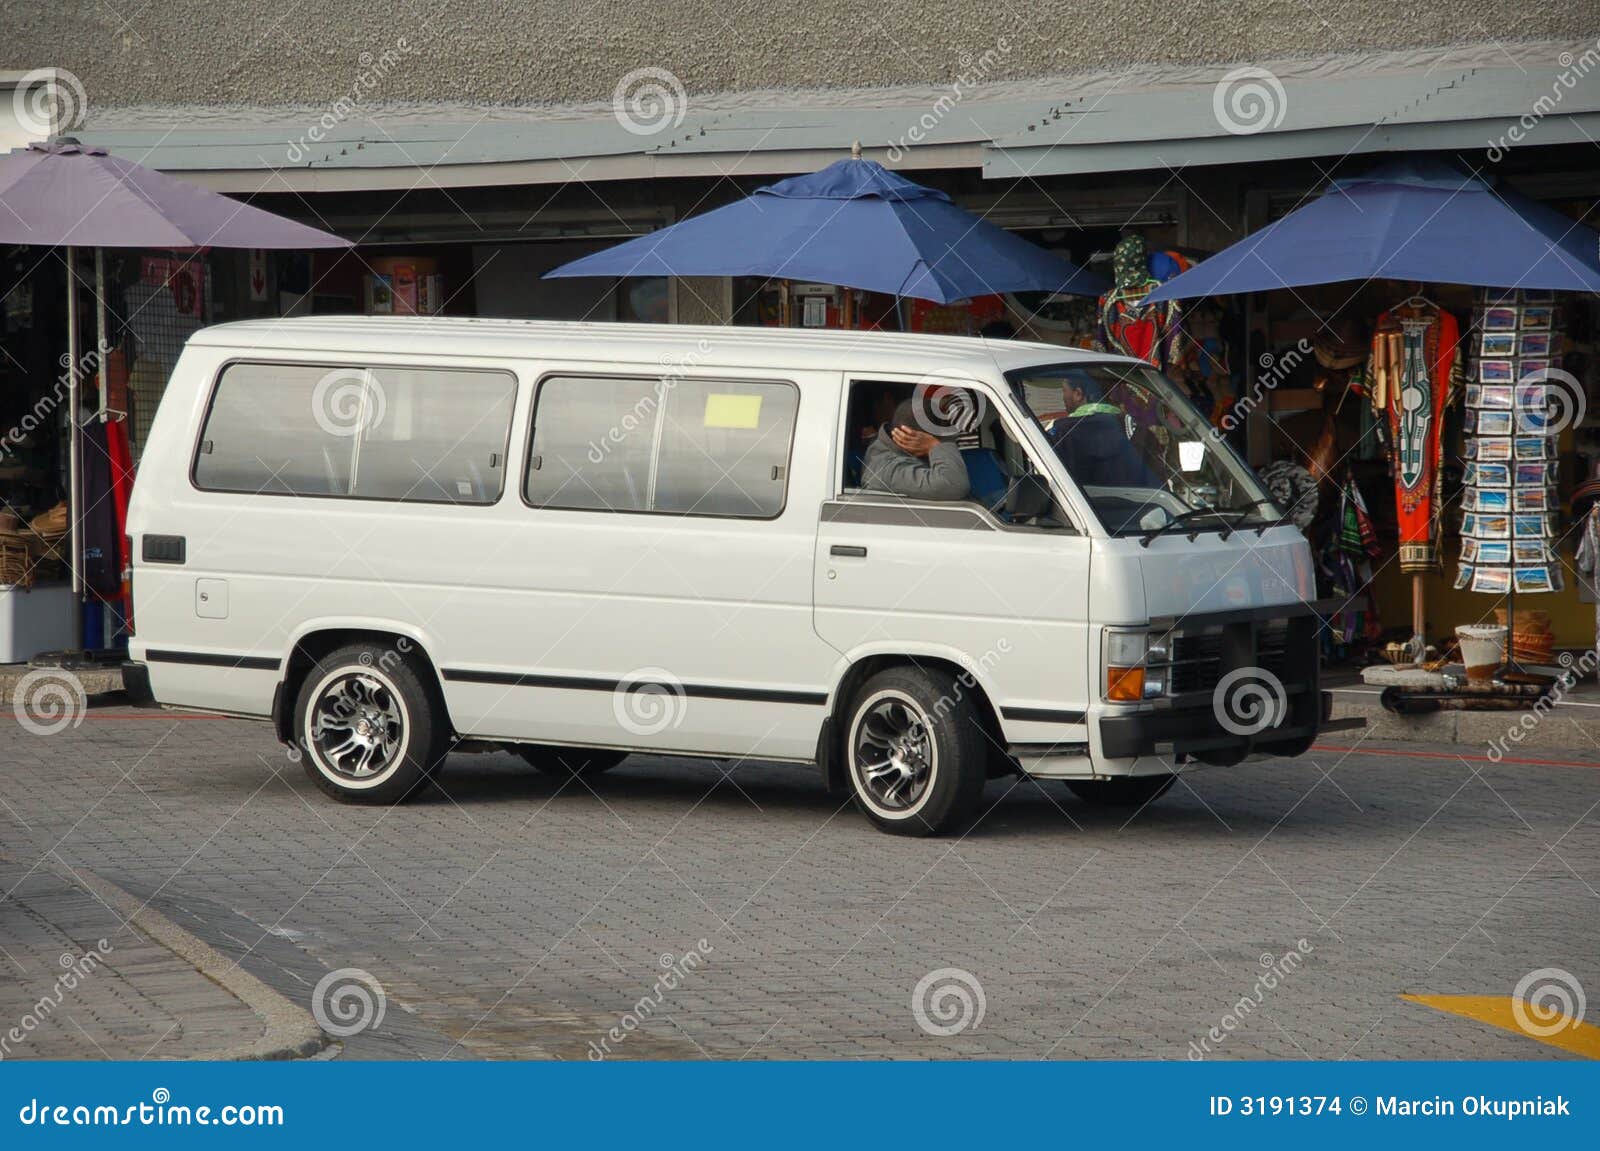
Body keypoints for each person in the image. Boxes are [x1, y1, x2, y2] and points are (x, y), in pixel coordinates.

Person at [1049, 375, 1155, 487]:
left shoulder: (1061, 432)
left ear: (1078, 394)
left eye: (1064, 390)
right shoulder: (1137, 428)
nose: (1063, 397)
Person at [861, 398, 971, 500]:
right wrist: (934, 447)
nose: (938, 444)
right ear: (910, 438)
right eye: (933, 439)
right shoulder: (888, 470)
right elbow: (954, 484)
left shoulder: (893, 450)